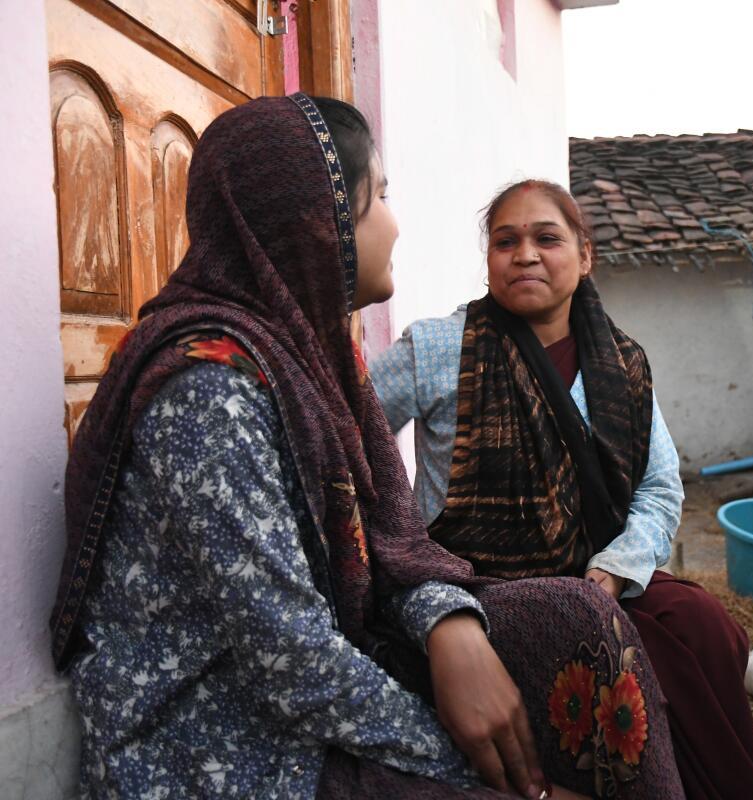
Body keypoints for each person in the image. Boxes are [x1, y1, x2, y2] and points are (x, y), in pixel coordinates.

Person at [50, 95, 684, 799]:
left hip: (329, 677)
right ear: (318, 225)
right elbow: (289, 656)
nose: (395, 221)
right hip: (228, 744)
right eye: (377, 196)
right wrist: (506, 780)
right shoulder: (209, 392)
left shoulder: (312, 358)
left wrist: (448, 621)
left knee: (588, 618)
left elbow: (388, 537)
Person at [371, 178, 753, 800]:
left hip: (596, 572)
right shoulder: (438, 347)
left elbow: (660, 487)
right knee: (604, 648)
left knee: (704, 627)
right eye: (506, 241)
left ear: (584, 256)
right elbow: (356, 446)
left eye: (546, 238)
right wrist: (407, 553)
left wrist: (615, 570)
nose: (525, 254)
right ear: (488, 262)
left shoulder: (623, 363)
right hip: (477, 587)